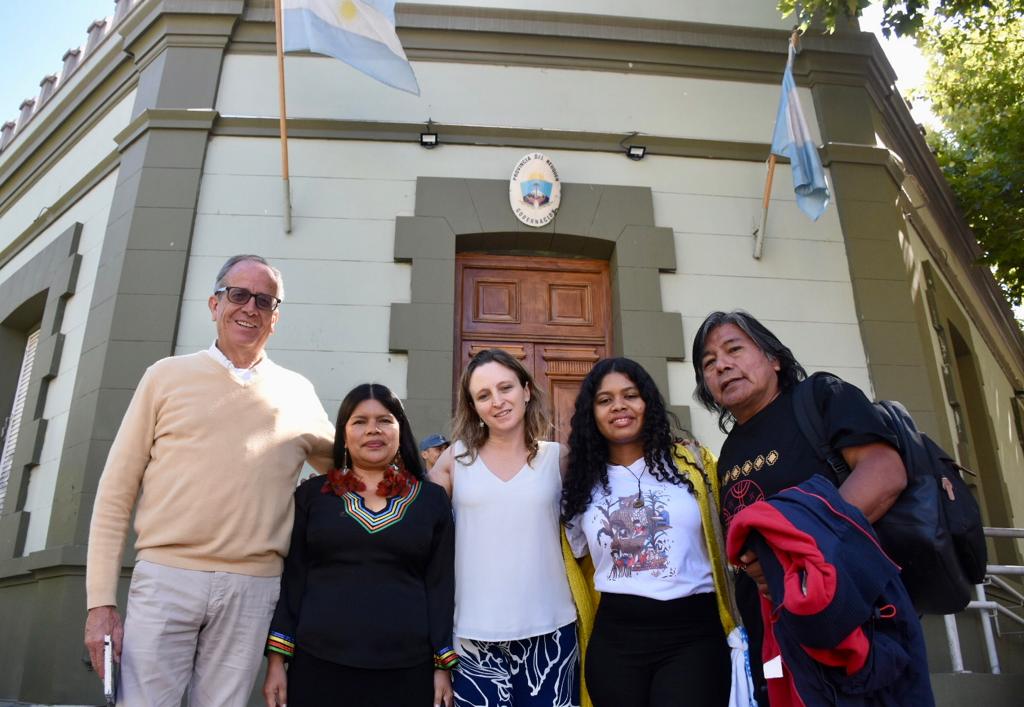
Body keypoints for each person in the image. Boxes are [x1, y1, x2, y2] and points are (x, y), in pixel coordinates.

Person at [84, 254, 335, 706]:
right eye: (238, 294)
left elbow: (350, 471)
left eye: (265, 300)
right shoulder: (164, 377)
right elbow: (115, 494)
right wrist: (100, 602)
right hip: (166, 578)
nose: (250, 308)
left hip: (254, 588)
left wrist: (432, 476)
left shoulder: (298, 392)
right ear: (214, 304)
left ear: (275, 318)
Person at [692, 309, 909, 703]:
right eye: (709, 363)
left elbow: (885, 473)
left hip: (853, 622)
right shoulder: (728, 453)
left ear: (774, 359)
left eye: (734, 349)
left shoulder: (822, 397)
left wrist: (787, 552)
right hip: (774, 637)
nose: (722, 365)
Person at [562, 357, 742, 707]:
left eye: (630, 395)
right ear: (591, 413)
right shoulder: (579, 483)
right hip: (616, 640)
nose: (619, 407)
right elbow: (576, 558)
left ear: (647, 402)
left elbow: (730, 526)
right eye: (605, 400)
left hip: (694, 637)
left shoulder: (693, 464)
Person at [262, 383, 456, 707]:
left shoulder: (431, 500)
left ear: (400, 429)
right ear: (344, 433)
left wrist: (442, 666)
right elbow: (293, 580)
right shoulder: (313, 496)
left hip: (409, 668)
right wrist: (276, 662)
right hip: (317, 664)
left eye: (384, 420)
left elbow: (440, 586)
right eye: (359, 421)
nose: (373, 430)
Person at [430, 348, 579, 707]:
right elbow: (418, 529)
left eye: (505, 388)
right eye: (483, 395)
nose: (497, 401)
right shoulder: (456, 459)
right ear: (474, 406)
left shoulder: (558, 458)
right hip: (472, 638)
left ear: (526, 390)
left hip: (552, 632)